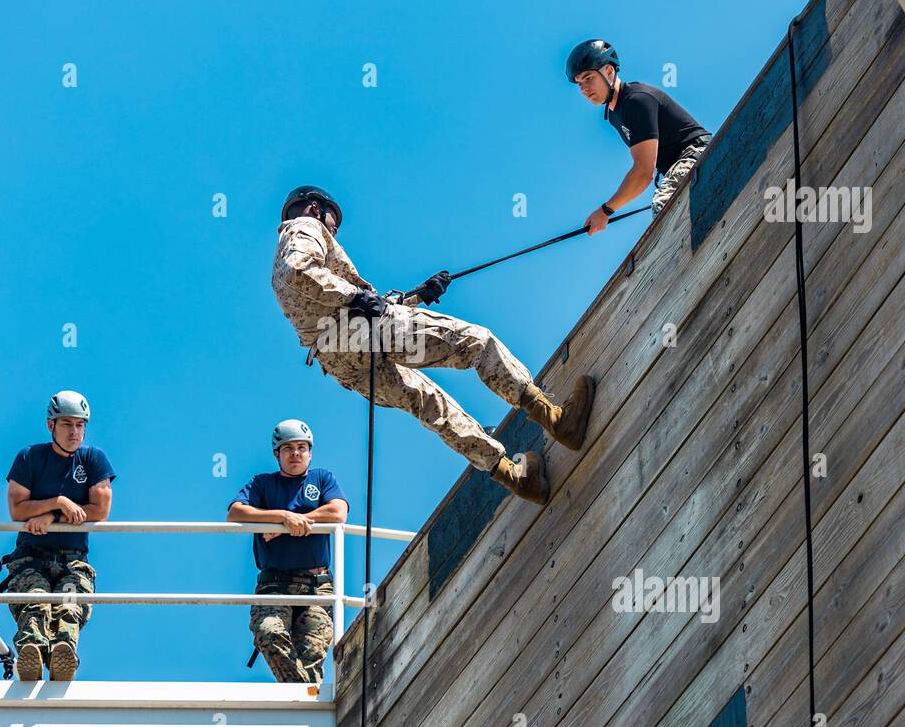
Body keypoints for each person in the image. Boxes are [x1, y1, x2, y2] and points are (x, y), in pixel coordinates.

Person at [272, 185, 595, 504]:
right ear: (315, 208)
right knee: (474, 343)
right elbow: (299, 271)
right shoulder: (304, 226)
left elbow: (359, 304)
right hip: (359, 331)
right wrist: (357, 295)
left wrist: (417, 296)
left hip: (340, 357)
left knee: (431, 407)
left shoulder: (285, 254)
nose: (335, 229)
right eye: (334, 221)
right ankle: (556, 420)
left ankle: (516, 478)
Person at [0, 390, 116, 681]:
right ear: (51, 425)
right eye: (67, 424)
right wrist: (59, 501)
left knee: (70, 603)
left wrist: (50, 516)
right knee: (34, 600)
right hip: (30, 557)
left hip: (73, 559)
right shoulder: (29, 458)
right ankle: (31, 653)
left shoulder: (93, 459)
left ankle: (64, 652)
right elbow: (17, 509)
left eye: (80, 425)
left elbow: (100, 510)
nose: (75, 432)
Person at [228, 420, 348, 683]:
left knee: (312, 652)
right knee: (268, 633)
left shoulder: (322, 478)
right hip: (274, 584)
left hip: (317, 586)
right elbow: (235, 512)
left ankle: (302, 703)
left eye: (302, 447)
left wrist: (285, 525)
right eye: (288, 448)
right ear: (277, 454)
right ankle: (305, 698)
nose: (296, 453)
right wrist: (282, 516)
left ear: (310, 451)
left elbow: (338, 512)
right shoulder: (262, 484)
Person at [566, 38, 712, 225]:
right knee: (665, 207)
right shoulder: (614, 114)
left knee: (664, 203)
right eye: (579, 84)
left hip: (698, 154)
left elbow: (643, 171)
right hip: (674, 167)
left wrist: (605, 211)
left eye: (588, 78)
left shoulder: (636, 100)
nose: (584, 89)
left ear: (609, 72)